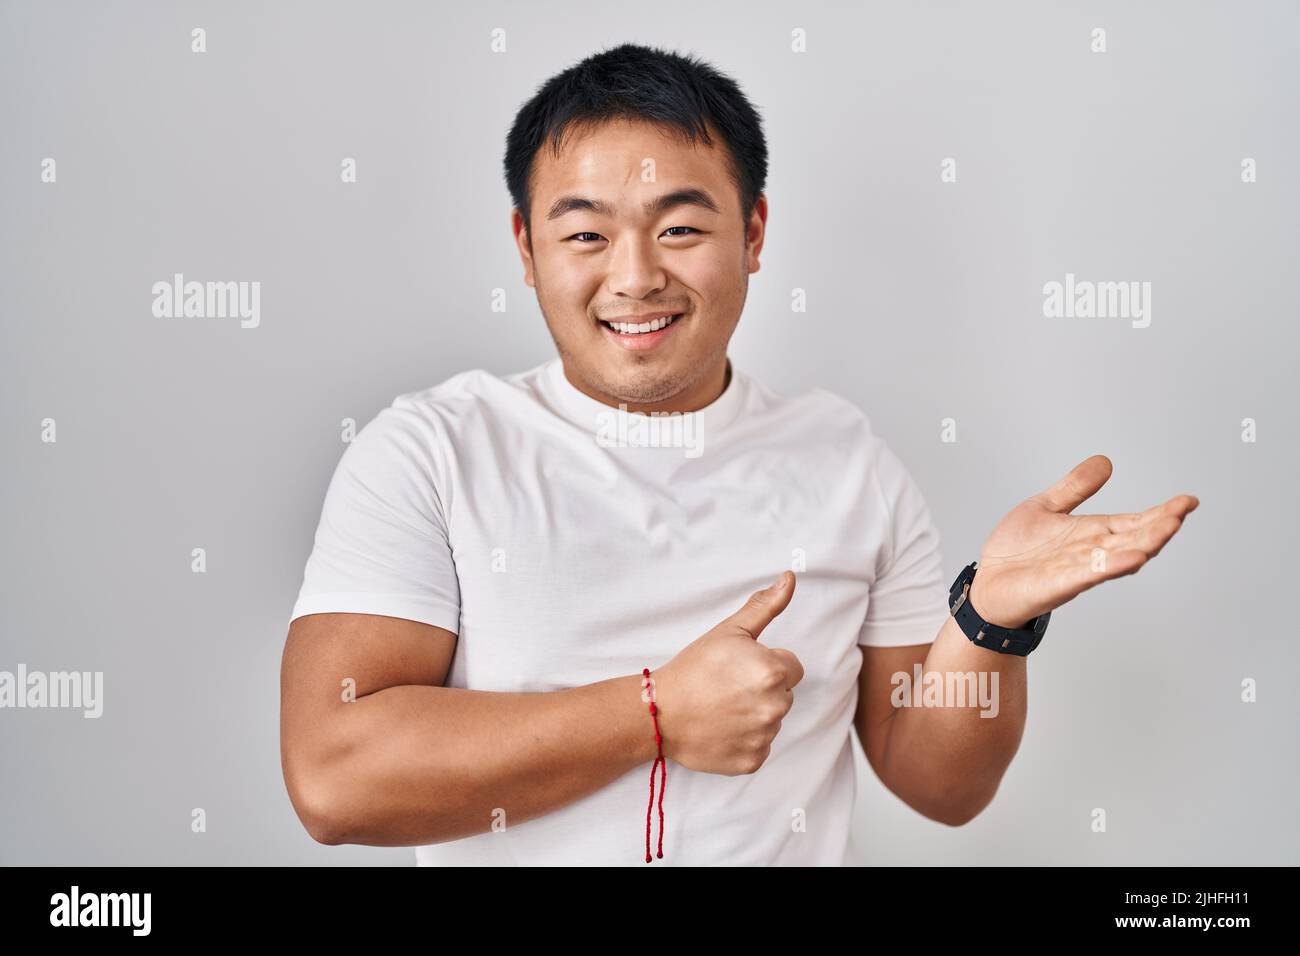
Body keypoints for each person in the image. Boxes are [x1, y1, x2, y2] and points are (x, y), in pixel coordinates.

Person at [279, 42, 1198, 865]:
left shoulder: (849, 463)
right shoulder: (431, 452)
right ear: (527, 248)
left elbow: (942, 787)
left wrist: (989, 623)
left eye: (679, 229)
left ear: (753, 234)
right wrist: (656, 713)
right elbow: (333, 779)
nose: (635, 277)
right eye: (586, 234)